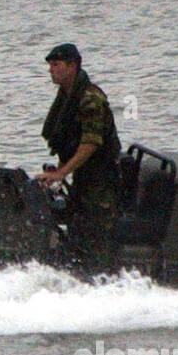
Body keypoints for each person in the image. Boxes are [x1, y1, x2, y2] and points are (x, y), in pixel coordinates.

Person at [36, 43, 122, 273]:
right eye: (50, 65)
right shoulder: (67, 96)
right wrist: (57, 174)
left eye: (56, 65)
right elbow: (68, 142)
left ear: (72, 66)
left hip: (101, 182)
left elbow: (90, 144)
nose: (51, 70)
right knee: (76, 232)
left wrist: (62, 173)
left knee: (95, 238)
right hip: (84, 179)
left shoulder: (90, 98)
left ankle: (101, 278)